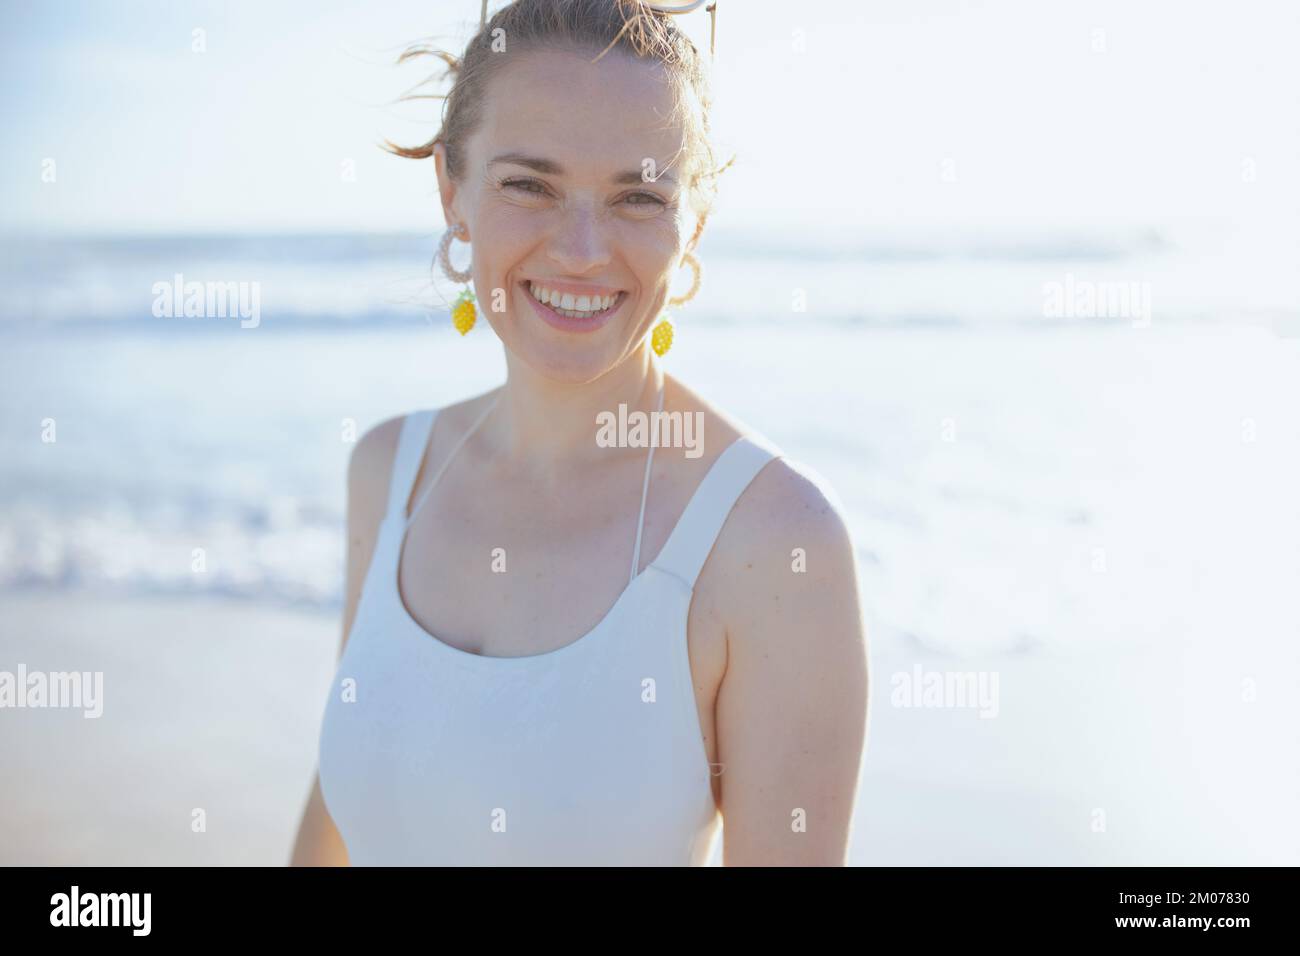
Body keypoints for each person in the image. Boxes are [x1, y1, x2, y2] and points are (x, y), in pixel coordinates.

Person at [292, 0, 867, 866]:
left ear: (694, 225)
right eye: (530, 184)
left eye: (639, 196)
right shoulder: (390, 472)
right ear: (452, 190)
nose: (583, 250)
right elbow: (331, 829)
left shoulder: (773, 540)